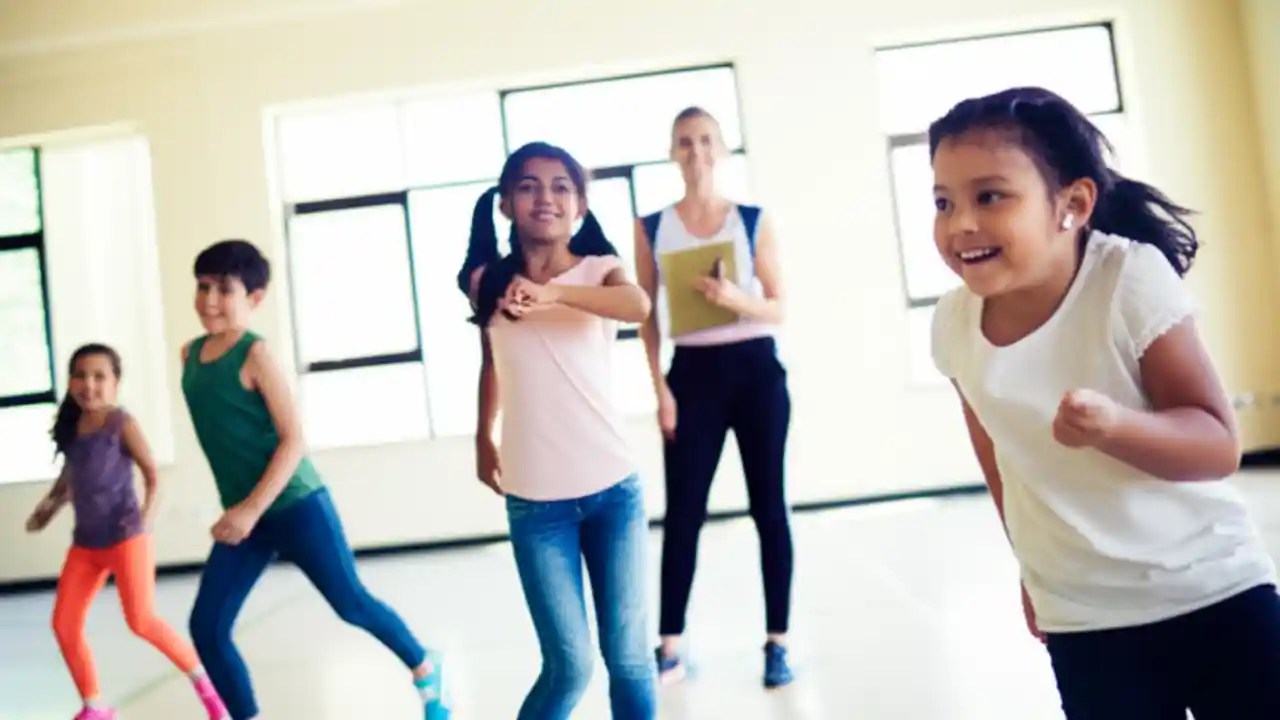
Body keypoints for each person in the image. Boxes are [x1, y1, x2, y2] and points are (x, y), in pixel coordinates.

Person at [929, 86, 1280, 719]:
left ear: (1072, 204)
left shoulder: (1127, 279)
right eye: (943, 202)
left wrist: (1114, 427)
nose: (960, 225)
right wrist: (1031, 570)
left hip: (1214, 591)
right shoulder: (953, 325)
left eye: (990, 196)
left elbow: (1217, 445)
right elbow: (999, 462)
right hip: (1086, 618)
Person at [180, 240, 449, 720]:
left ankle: (424, 666)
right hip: (246, 517)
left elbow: (293, 440)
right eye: (202, 287)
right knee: (207, 626)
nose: (210, 301)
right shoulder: (190, 355)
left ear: (255, 298)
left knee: (350, 603)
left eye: (224, 289)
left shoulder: (255, 354)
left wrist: (249, 509)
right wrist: (245, 513)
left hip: (296, 506)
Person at [466, 141, 657, 719]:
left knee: (629, 658)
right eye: (528, 186)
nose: (544, 198)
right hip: (535, 502)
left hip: (614, 491)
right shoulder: (487, 282)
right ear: (505, 204)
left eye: (560, 187)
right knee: (569, 665)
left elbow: (638, 304)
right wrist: (482, 435)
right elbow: (492, 361)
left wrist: (553, 293)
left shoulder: (601, 270)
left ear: (579, 205)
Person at [634, 106, 794, 687]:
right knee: (683, 514)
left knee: (768, 508)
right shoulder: (652, 227)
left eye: (705, 140)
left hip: (756, 371)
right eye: (685, 141)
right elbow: (646, 317)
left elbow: (779, 306)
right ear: (672, 152)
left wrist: (734, 299)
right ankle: (669, 648)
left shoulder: (751, 220)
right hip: (692, 376)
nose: (696, 151)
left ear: (722, 149)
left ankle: (777, 643)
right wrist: (661, 390)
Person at [26, 343, 228, 720]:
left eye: (99, 376)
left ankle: (211, 693)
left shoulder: (121, 423)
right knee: (64, 624)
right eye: (80, 376)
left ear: (115, 382)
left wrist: (146, 521)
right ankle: (95, 706)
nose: (89, 385)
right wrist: (46, 510)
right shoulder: (73, 427)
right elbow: (69, 479)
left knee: (142, 621)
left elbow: (153, 476)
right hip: (86, 545)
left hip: (126, 538)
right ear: (70, 382)